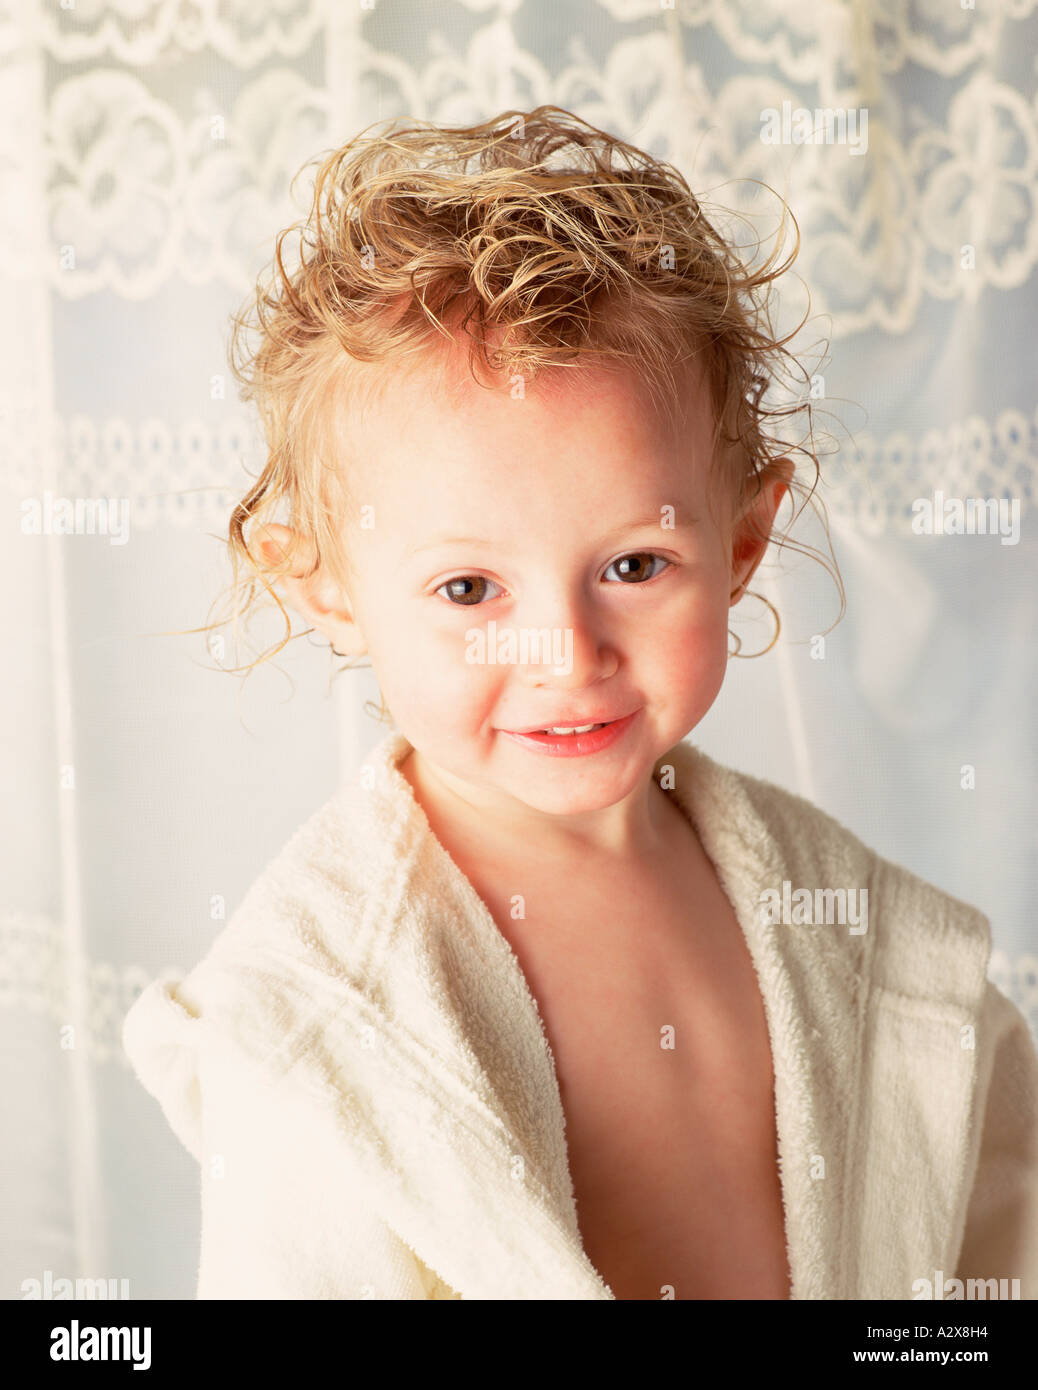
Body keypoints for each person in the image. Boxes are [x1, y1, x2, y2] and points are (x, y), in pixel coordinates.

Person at [122, 106, 1038, 1300]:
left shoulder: (847, 919)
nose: (566, 654)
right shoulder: (324, 1018)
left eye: (634, 566)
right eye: (468, 587)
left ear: (743, 539)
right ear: (331, 591)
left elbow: (987, 1227)